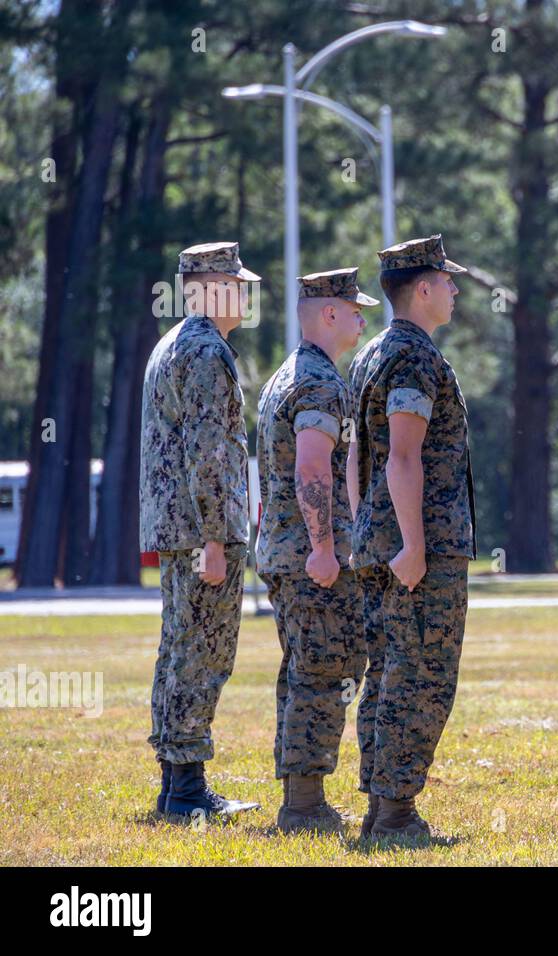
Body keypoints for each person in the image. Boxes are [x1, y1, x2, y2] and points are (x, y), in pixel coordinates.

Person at [348, 234, 476, 843]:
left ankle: (381, 806)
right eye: (447, 281)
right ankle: (396, 813)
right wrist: (415, 543)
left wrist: (365, 530)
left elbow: (355, 459)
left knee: (388, 672)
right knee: (419, 675)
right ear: (421, 289)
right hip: (416, 545)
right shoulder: (414, 357)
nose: (454, 289)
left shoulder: (373, 352)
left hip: (380, 541)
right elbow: (402, 456)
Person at [140, 240, 261, 822]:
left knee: (180, 649)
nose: (245, 293)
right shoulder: (207, 352)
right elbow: (208, 454)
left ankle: (176, 785)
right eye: (237, 283)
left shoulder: (174, 344)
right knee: (202, 655)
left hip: (179, 528)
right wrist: (216, 538)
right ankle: (185, 793)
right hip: (200, 531)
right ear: (210, 287)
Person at [256, 268, 374, 832]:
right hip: (309, 558)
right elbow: (311, 467)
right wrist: (325, 549)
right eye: (355, 309)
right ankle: (302, 807)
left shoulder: (291, 373)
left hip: (285, 552)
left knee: (306, 669)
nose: (362, 318)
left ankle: (302, 797)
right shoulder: (320, 382)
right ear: (329, 313)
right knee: (324, 670)